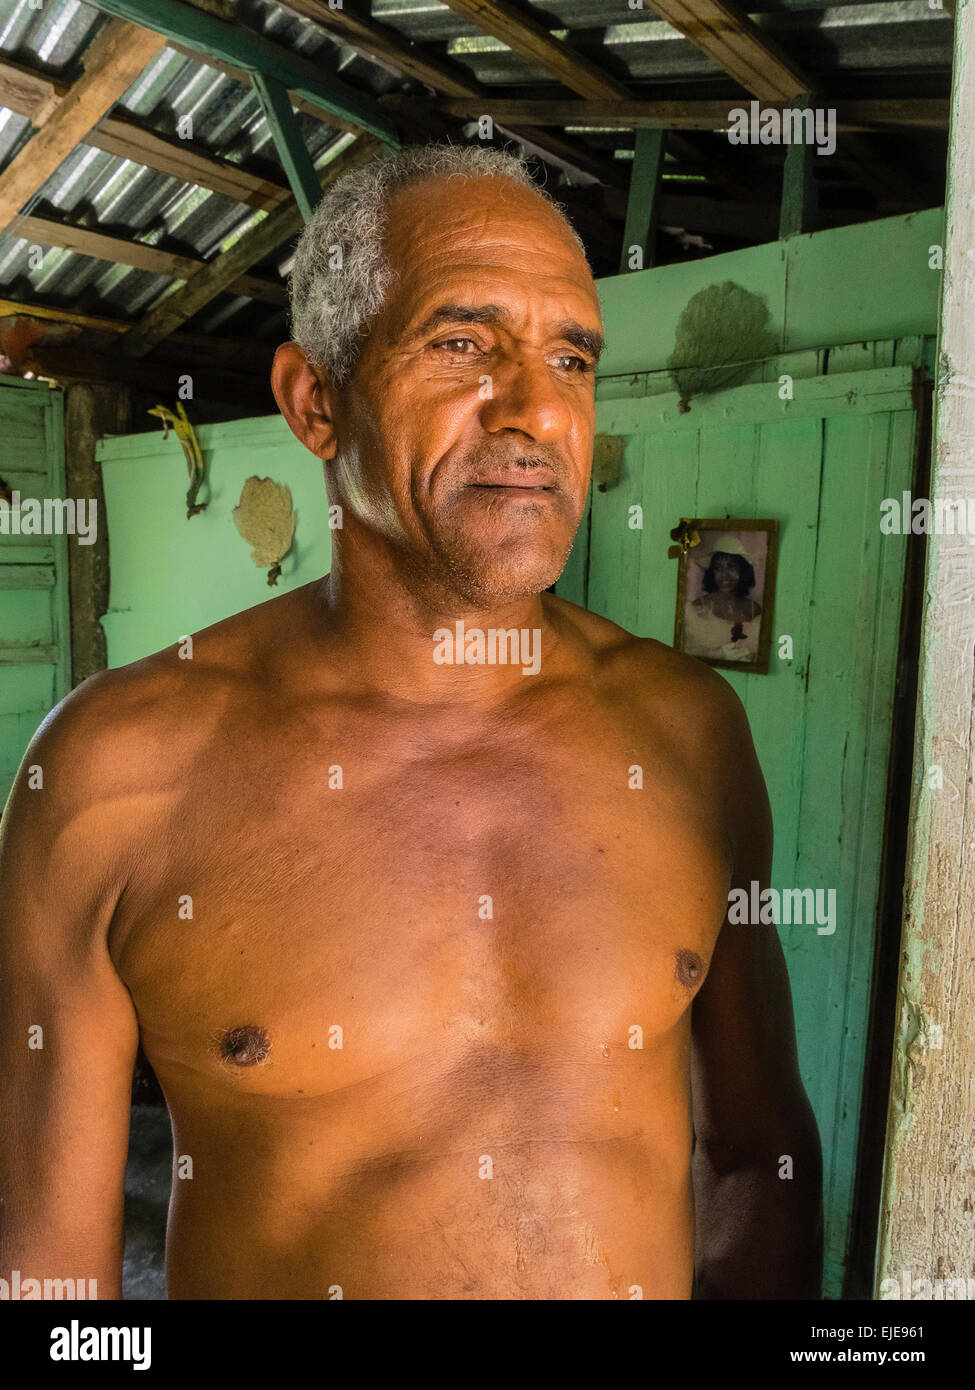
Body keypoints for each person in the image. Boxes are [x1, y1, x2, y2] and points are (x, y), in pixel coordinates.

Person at [0, 144, 821, 1301]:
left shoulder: (688, 736)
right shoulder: (111, 776)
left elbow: (759, 1152)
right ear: (315, 400)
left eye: (572, 356)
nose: (538, 407)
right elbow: (47, 1281)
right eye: (463, 344)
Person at [685, 535, 763, 662]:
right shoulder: (699, 608)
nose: (724, 575)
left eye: (731, 567)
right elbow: (688, 654)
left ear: (742, 571)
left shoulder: (754, 608)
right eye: (717, 568)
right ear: (711, 573)